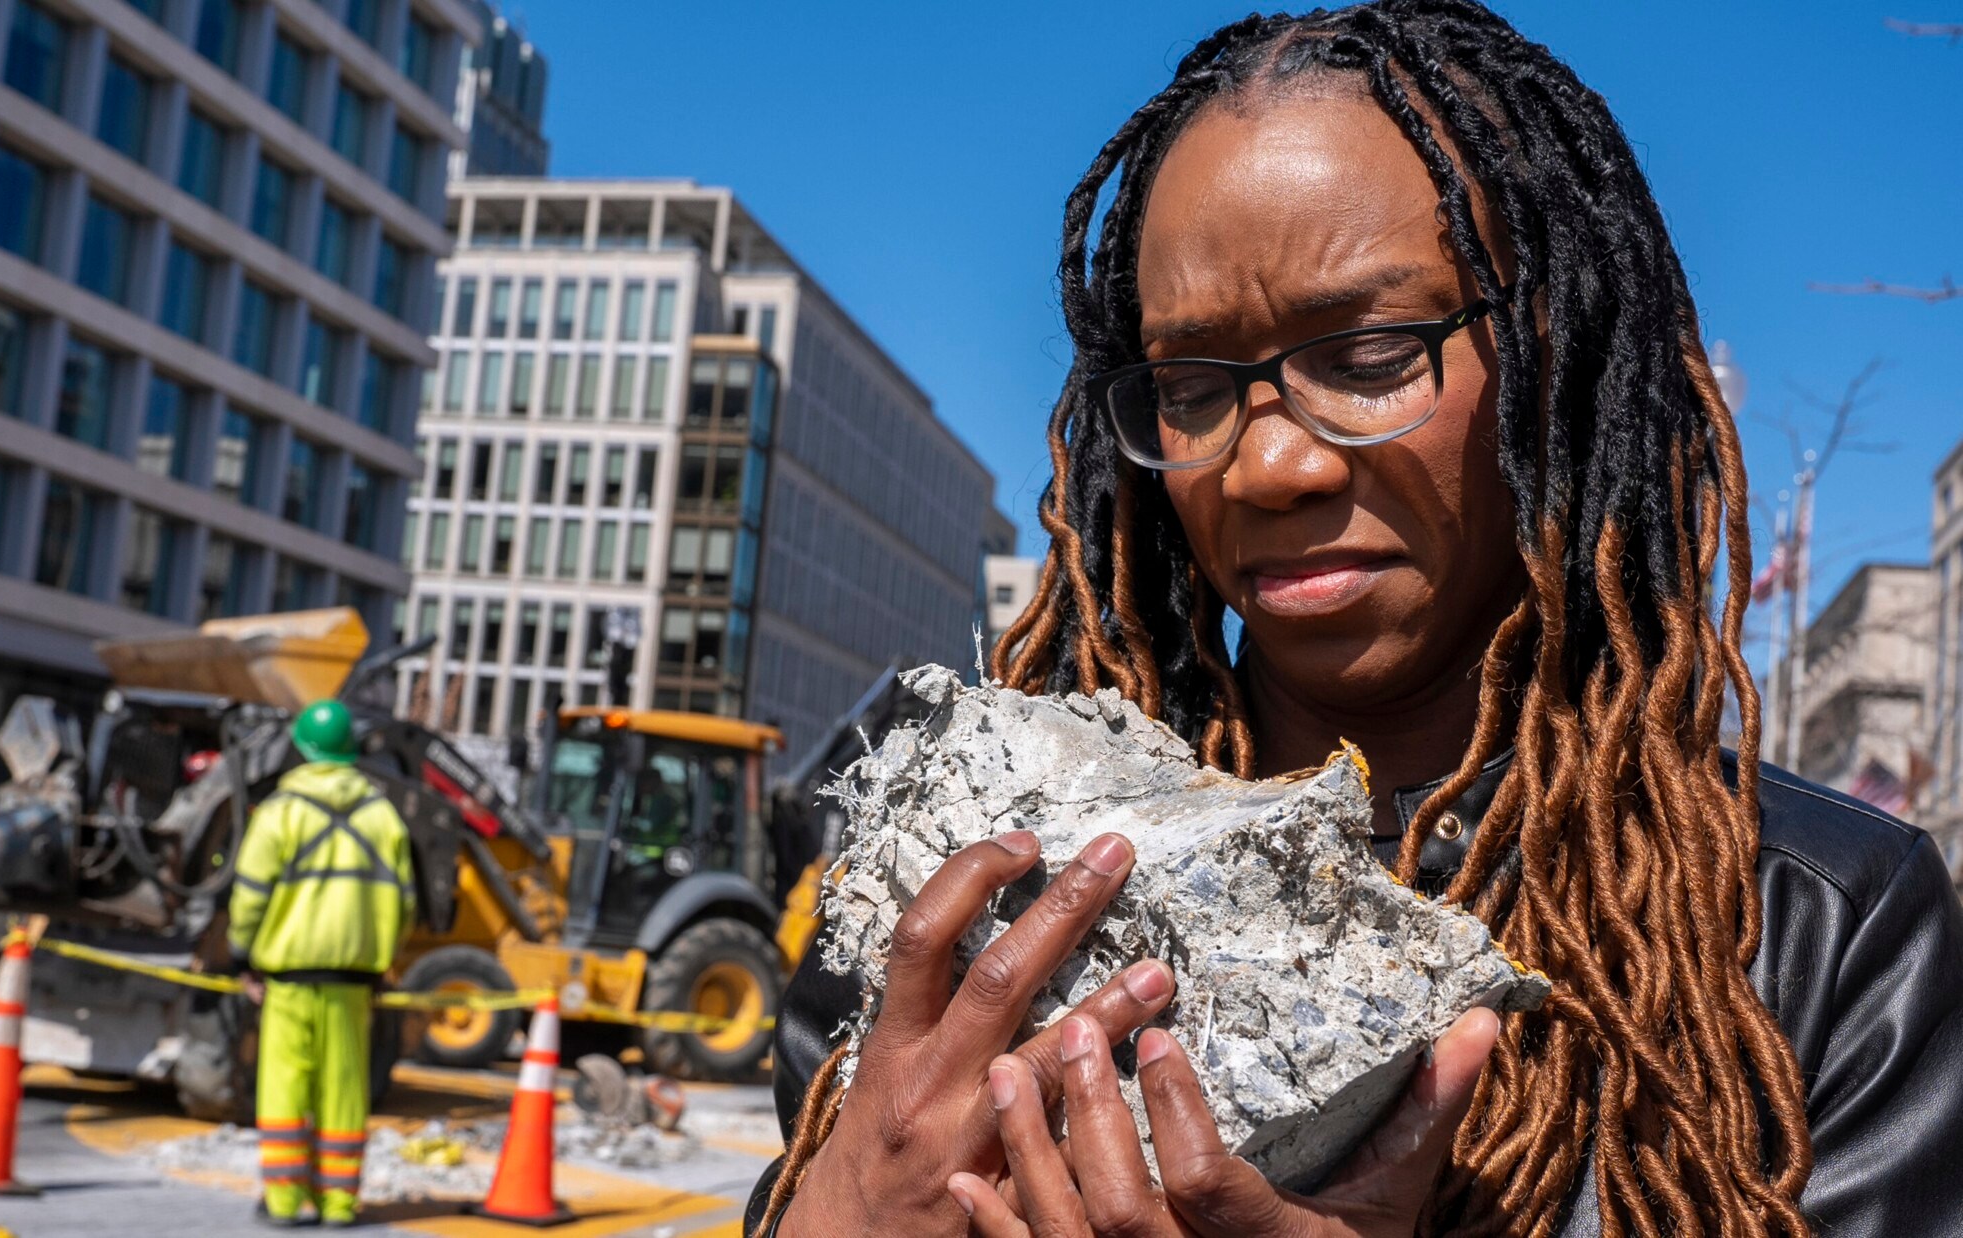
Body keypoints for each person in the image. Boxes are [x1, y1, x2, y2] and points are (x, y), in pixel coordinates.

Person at [744, 3, 1963, 1236]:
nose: (1269, 463)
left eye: (1372, 354)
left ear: (1557, 362)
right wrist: (839, 1214)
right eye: (1191, 385)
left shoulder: (1814, 927)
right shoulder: (951, 899)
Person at [230, 699, 416, 1228]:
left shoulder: (279, 814)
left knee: (285, 1087)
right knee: (343, 1090)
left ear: (303, 750)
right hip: (354, 982)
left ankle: (286, 1202)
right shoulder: (384, 817)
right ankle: (339, 1203)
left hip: (286, 979)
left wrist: (244, 955)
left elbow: (249, 897)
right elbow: (404, 905)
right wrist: (383, 958)